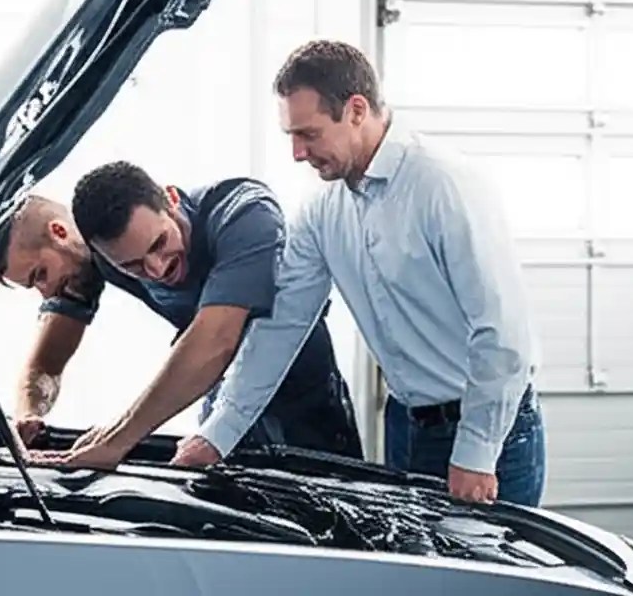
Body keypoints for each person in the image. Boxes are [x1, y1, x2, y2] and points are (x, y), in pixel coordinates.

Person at [173, 39, 546, 506]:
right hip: (406, 426)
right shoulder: (321, 212)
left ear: (355, 109)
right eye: (290, 135)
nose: (296, 153)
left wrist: (476, 452)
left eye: (308, 134)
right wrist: (218, 433)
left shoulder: (444, 185)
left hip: (491, 430)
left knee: (486, 582)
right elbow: (280, 326)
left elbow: (504, 332)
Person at [0, 164, 363, 468]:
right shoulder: (103, 257)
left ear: (170, 201)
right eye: (133, 266)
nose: (156, 268)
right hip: (222, 408)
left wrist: (118, 440)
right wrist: (27, 415)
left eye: (160, 244)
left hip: (306, 409)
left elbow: (214, 342)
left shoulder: (245, 215)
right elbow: (48, 359)